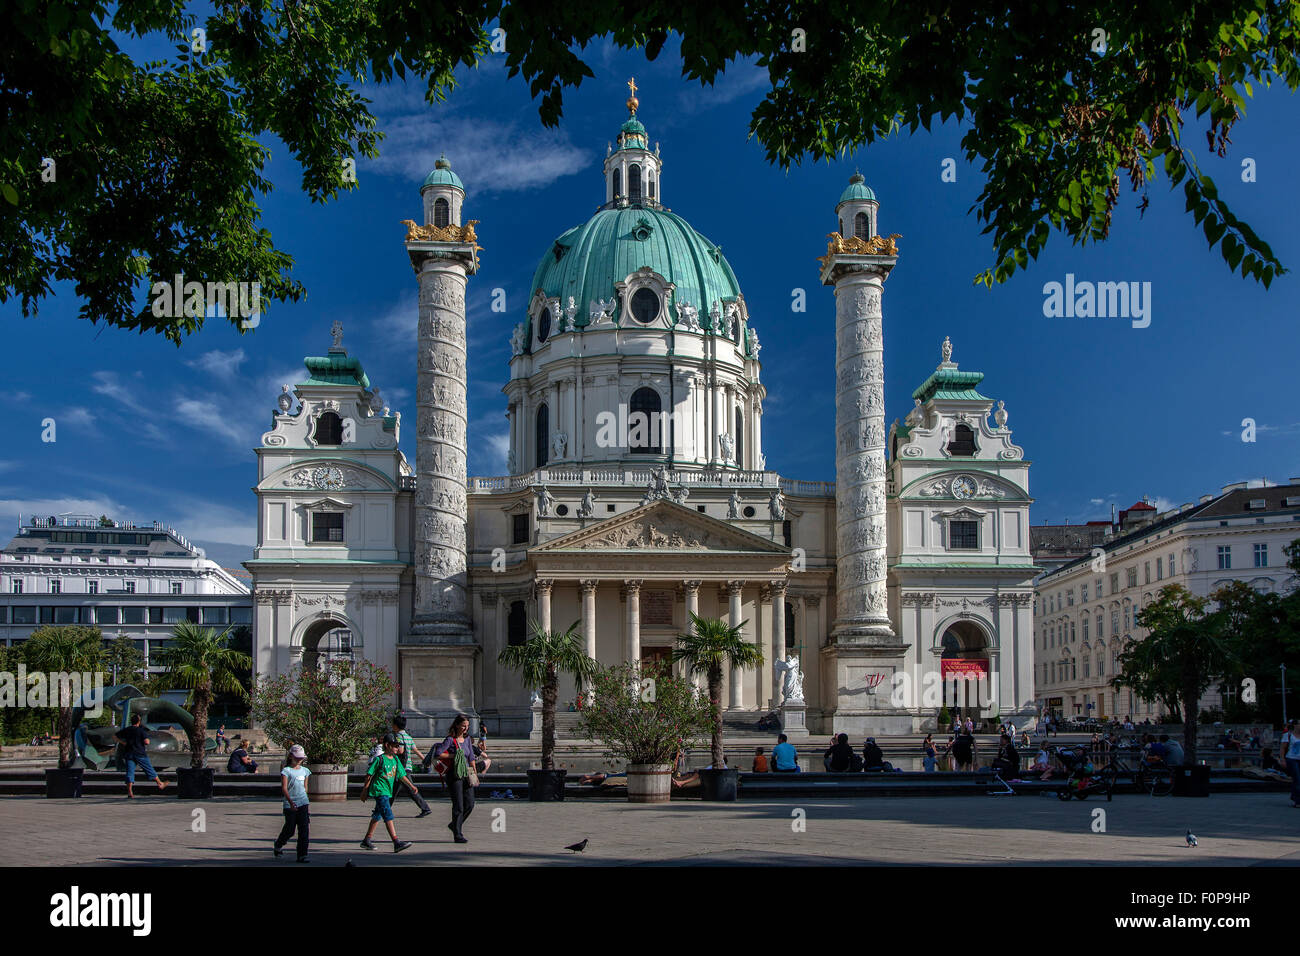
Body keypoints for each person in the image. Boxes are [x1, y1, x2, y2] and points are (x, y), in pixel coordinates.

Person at [360, 733, 417, 853]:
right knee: (388, 814)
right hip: (380, 790)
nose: (397, 748)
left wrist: (411, 785)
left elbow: (402, 775)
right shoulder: (379, 759)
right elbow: (369, 775)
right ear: (387, 745)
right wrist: (365, 790)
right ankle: (396, 842)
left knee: (377, 814)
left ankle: (367, 840)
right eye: (395, 745)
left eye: (398, 746)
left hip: (387, 790)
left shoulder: (395, 759)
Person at [434, 714, 478, 842]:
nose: (466, 728)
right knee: (458, 805)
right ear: (457, 725)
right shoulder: (450, 740)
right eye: (464, 726)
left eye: (467, 726)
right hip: (454, 774)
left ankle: (454, 825)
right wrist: (453, 756)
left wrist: (474, 774)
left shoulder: (468, 739)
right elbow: (438, 753)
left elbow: (471, 757)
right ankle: (458, 834)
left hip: (467, 773)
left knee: (470, 803)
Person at [274, 744, 312, 862]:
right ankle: (279, 844)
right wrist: (290, 802)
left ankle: (302, 854)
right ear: (291, 756)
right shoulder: (286, 771)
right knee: (290, 829)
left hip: (303, 803)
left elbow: (305, 787)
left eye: (301, 758)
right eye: (297, 758)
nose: (299, 760)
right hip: (290, 803)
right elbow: (284, 788)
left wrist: (305, 799)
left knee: (304, 830)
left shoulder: (305, 771)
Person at [115, 714, 168, 798]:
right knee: (149, 769)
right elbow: (147, 742)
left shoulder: (127, 730)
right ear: (139, 722)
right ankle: (160, 783)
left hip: (129, 753)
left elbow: (115, 736)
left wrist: (123, 743)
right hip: (140, 753)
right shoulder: (141, 731)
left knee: (130, 772)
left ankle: (130, 792)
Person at [390, 714, 432, 818]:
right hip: (407, 766)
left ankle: (425, 808)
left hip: (401, 767)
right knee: (393, 789)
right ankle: (383, 808)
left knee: (409, 789)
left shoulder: (398, 737)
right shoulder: (408, 737)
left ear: (396, 726)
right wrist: (425, 760)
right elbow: (416, 750)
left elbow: (400, 751)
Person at [1282, 719, 1300, 808]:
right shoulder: (1288, 735)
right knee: (1297, 778)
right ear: (1295, 725)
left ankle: (1294, 796)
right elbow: (1283, 748)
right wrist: (1282, 759)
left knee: (1297, 779)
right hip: (1292, 759)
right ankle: (1298, 801)